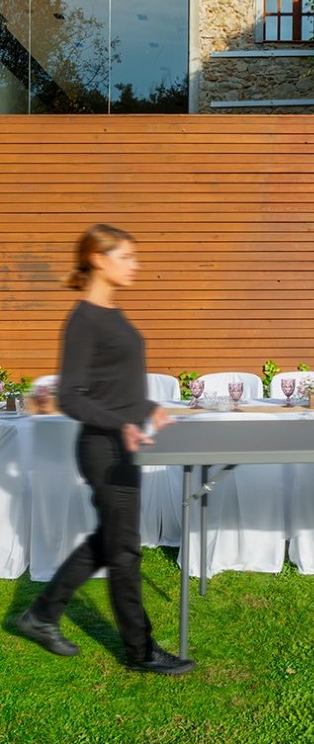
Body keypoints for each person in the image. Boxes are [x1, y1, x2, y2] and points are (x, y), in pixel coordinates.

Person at [17, 224, 195, 675]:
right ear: (99, 258)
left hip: (122, 441)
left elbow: (114, 385)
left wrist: (149, 408)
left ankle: (40, 615)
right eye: (127, 257)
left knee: (109, 541)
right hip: (104, 450)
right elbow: (72, 396)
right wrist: (122, 423)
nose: (135, 265)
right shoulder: (83, 320)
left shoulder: (111, 313)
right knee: (125, 551)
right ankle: (141, 650)